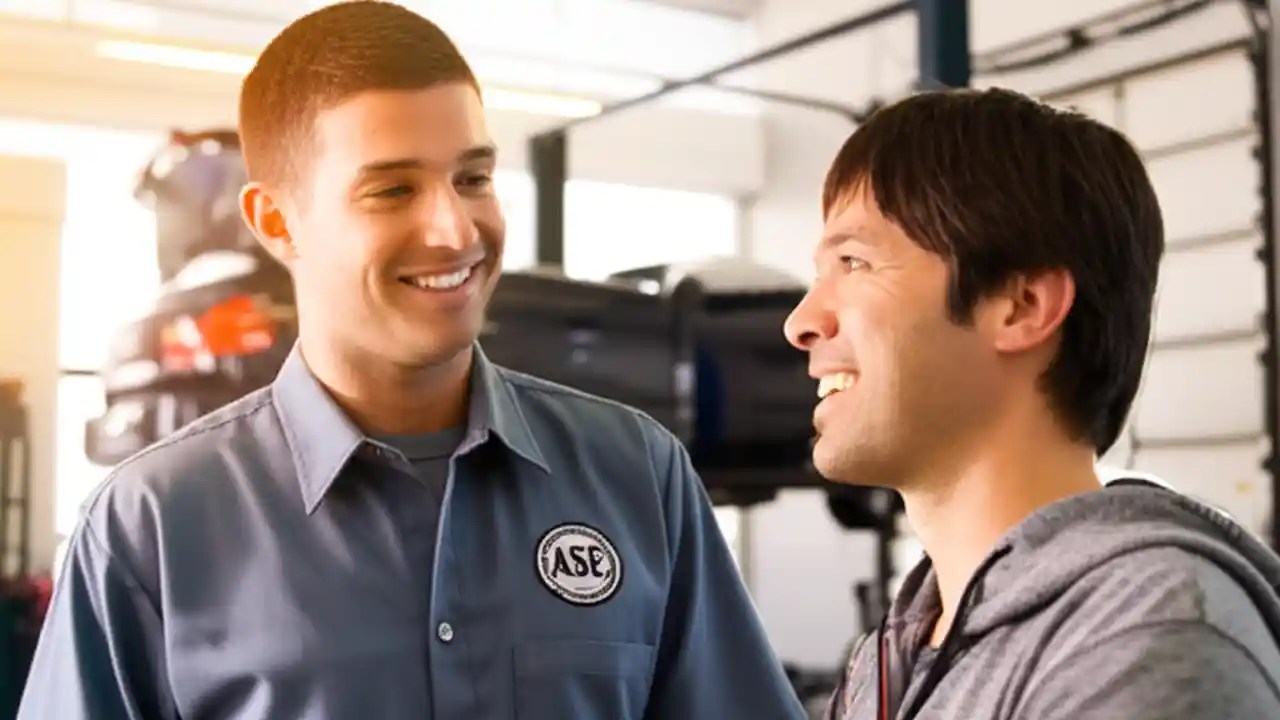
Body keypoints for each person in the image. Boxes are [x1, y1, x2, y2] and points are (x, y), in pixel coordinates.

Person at [18, 2, 804, 718]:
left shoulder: (638, 478)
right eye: (392, 191)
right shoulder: (151, 527)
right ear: (277, 221)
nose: (455, 231)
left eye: (473, 178)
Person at [785, 87, 1280, 719]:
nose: (801, 322)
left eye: (855, 263)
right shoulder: (894, 656)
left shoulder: (1139, 642)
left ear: (1022, 307)